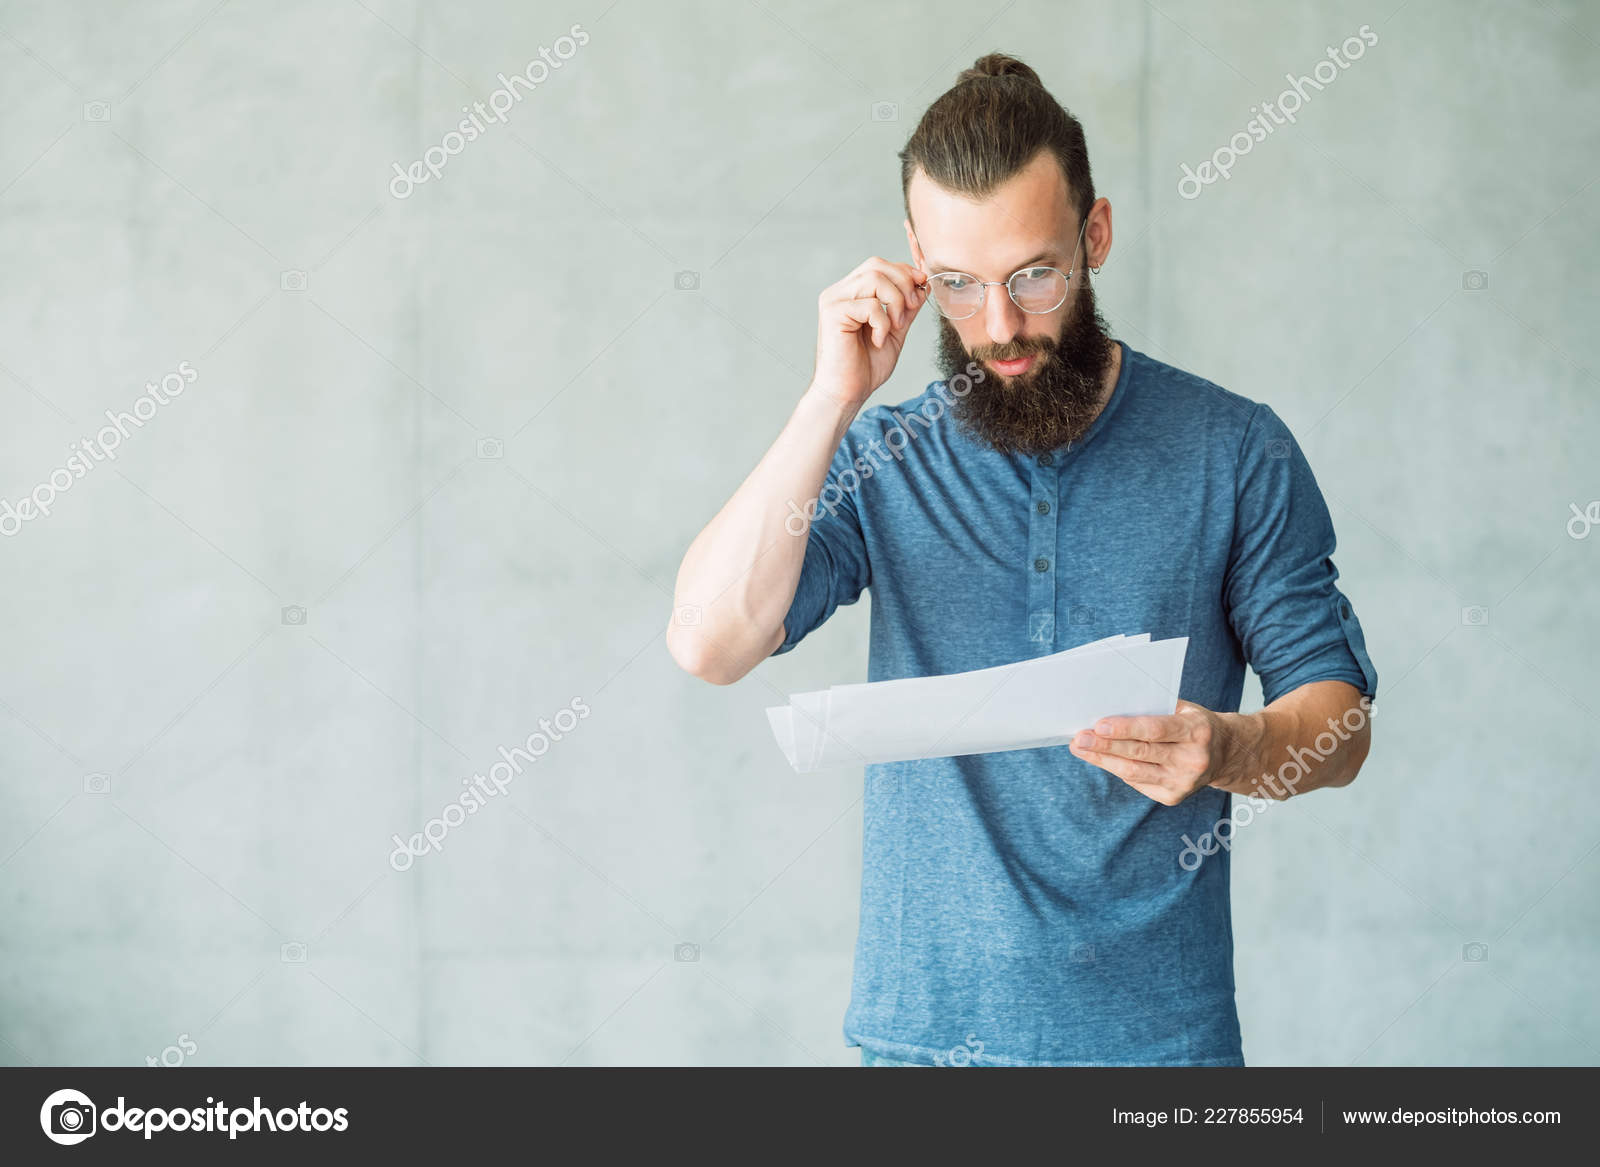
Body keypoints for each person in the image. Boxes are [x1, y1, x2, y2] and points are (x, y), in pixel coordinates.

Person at [667, 52, 1378, 1067]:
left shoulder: (1234, 452)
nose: (998, 326)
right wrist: (829, 400)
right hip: (919, 1055)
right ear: (914, 257)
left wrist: (1230, 746)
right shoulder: (881, 456)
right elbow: (708, 643)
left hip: (1161, 1056)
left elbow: (1340, 727)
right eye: (957, 283)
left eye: (1033, 276)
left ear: (1094, 234)